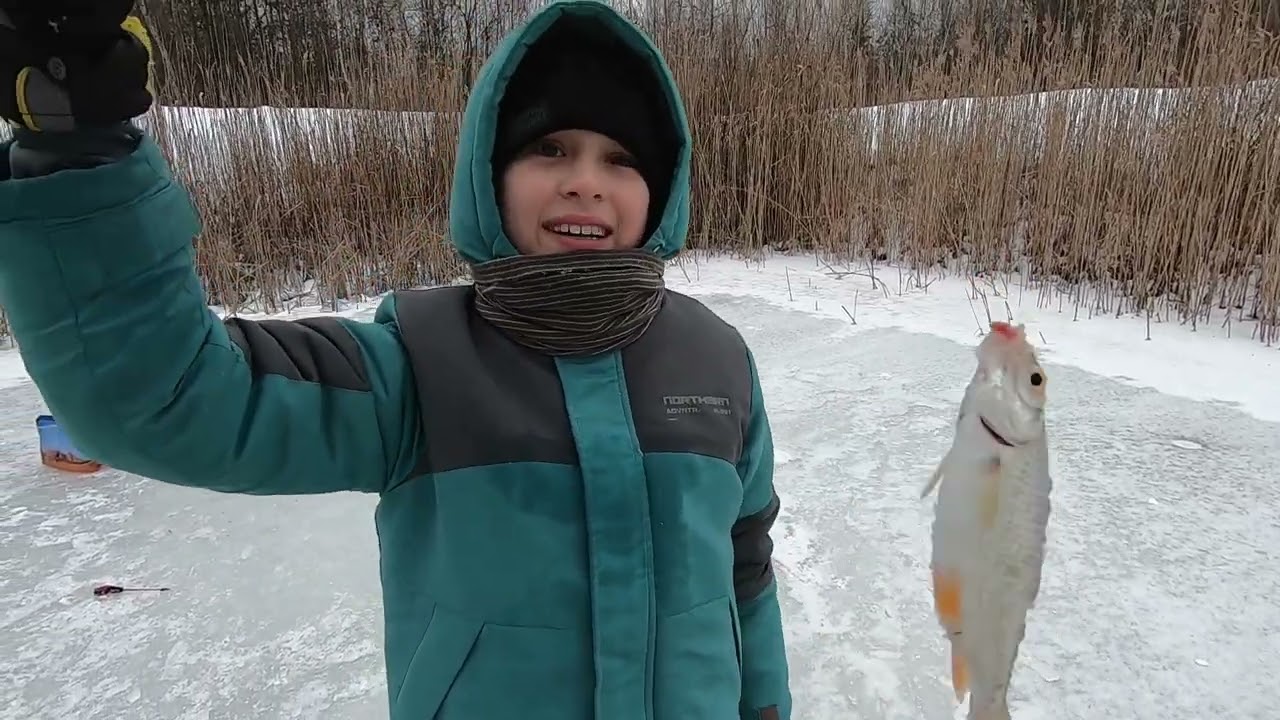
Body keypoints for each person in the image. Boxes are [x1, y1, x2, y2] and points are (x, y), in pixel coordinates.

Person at [0, 1, 793, 718]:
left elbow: (745, 567)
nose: (585, 182)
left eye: (621, 158)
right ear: (491, 174)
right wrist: (83, 147)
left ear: (662, 187)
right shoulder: (416, 365)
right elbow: (166, 395)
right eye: (550, 147)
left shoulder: (715, 361)